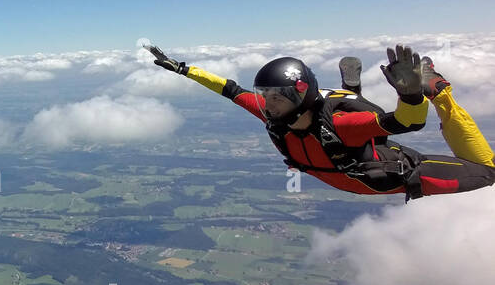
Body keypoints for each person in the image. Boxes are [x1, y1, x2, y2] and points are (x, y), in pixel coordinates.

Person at [146, 43, 495, 199]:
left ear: (301, 96)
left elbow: (407, 123)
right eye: (265, 95)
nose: (268, 104)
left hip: (391, 178)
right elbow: (229, 88)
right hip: (347, 171)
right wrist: (182, 68)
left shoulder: (340, 127)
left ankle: (439, 89)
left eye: (278, 97)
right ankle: (350, 90)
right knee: (359, 116)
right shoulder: (271, 115)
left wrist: (413, 94)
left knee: (489, 171)